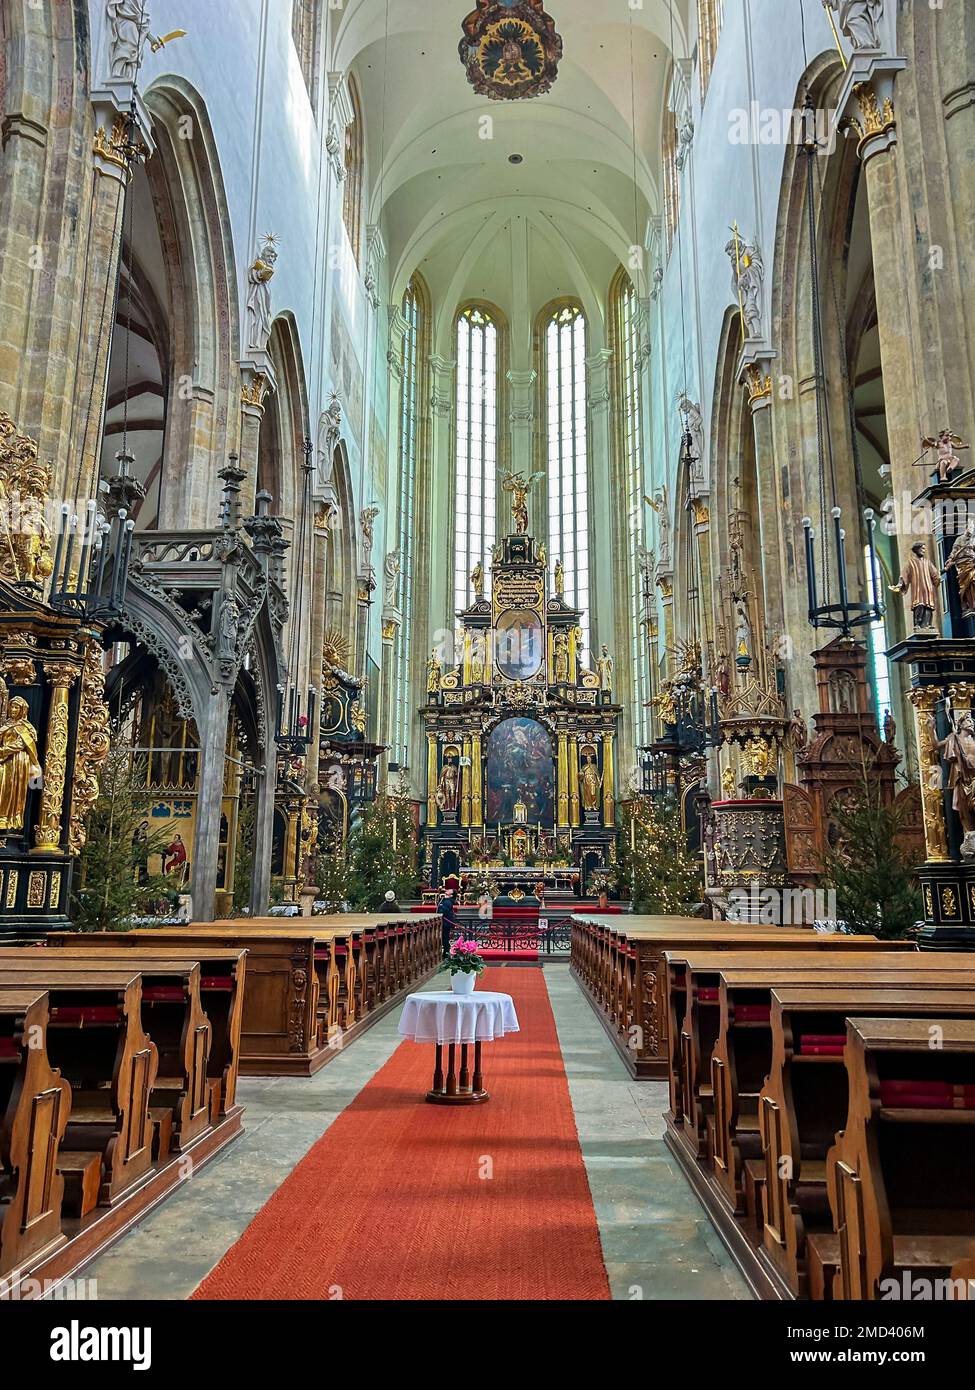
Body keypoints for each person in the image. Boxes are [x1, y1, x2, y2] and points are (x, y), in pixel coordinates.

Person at [438, 888, 459, 957]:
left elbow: (443, 911)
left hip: (446, 923)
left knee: (445, 938)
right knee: (444, 938)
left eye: (450, 890)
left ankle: (446, 954)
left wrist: (441, 906)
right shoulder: (445, 900)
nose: (447, 890)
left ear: (451, 895)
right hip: (444, 922)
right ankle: (445, 953)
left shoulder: (448, 901)